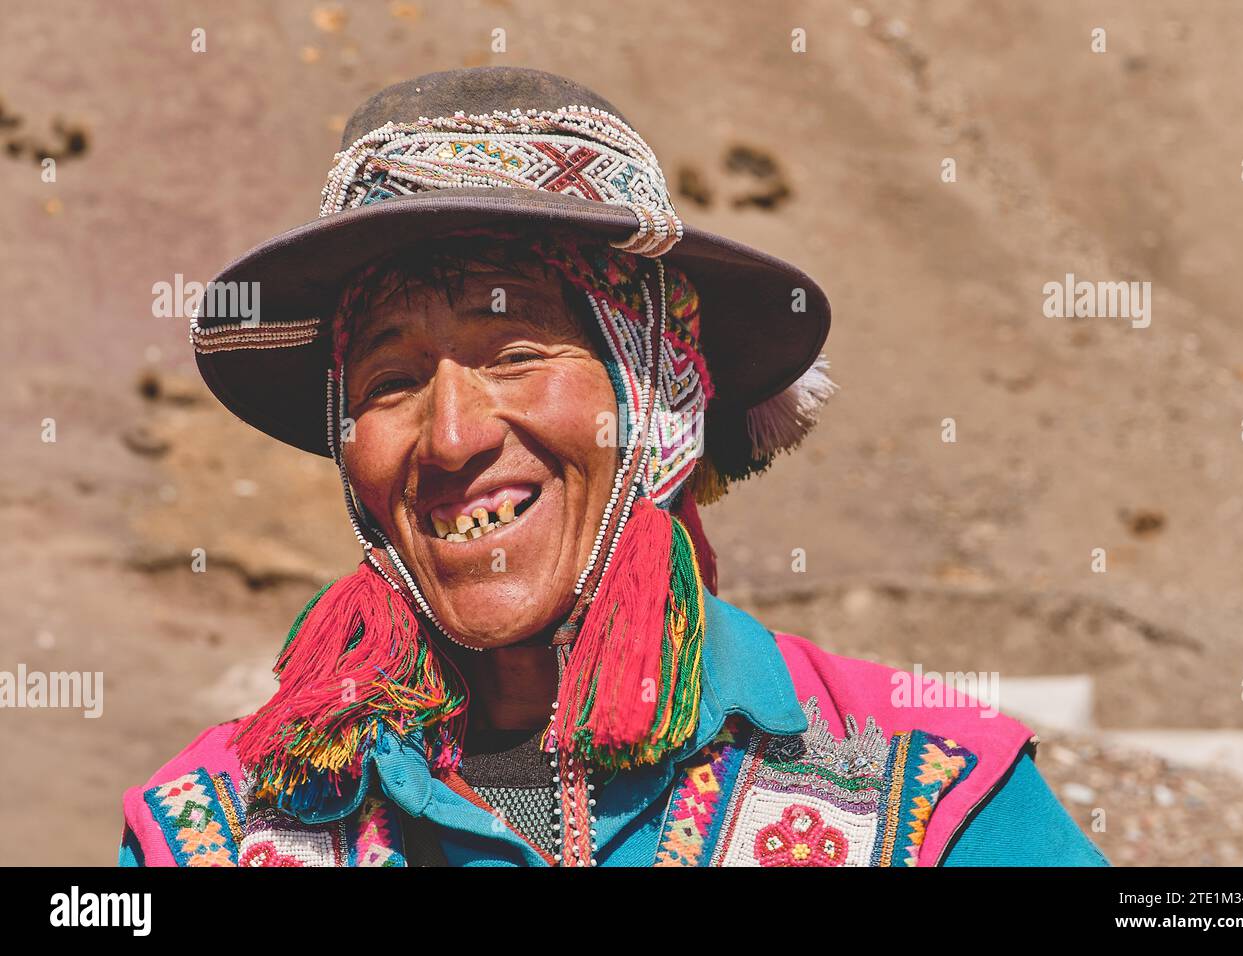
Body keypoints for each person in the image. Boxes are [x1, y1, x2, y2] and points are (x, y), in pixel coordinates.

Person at [118, 66, 1106, 867]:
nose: (451, 435)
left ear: (656, 397)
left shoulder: (927, 797)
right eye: (389, 379)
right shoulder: (212, 828)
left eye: (514, 355)